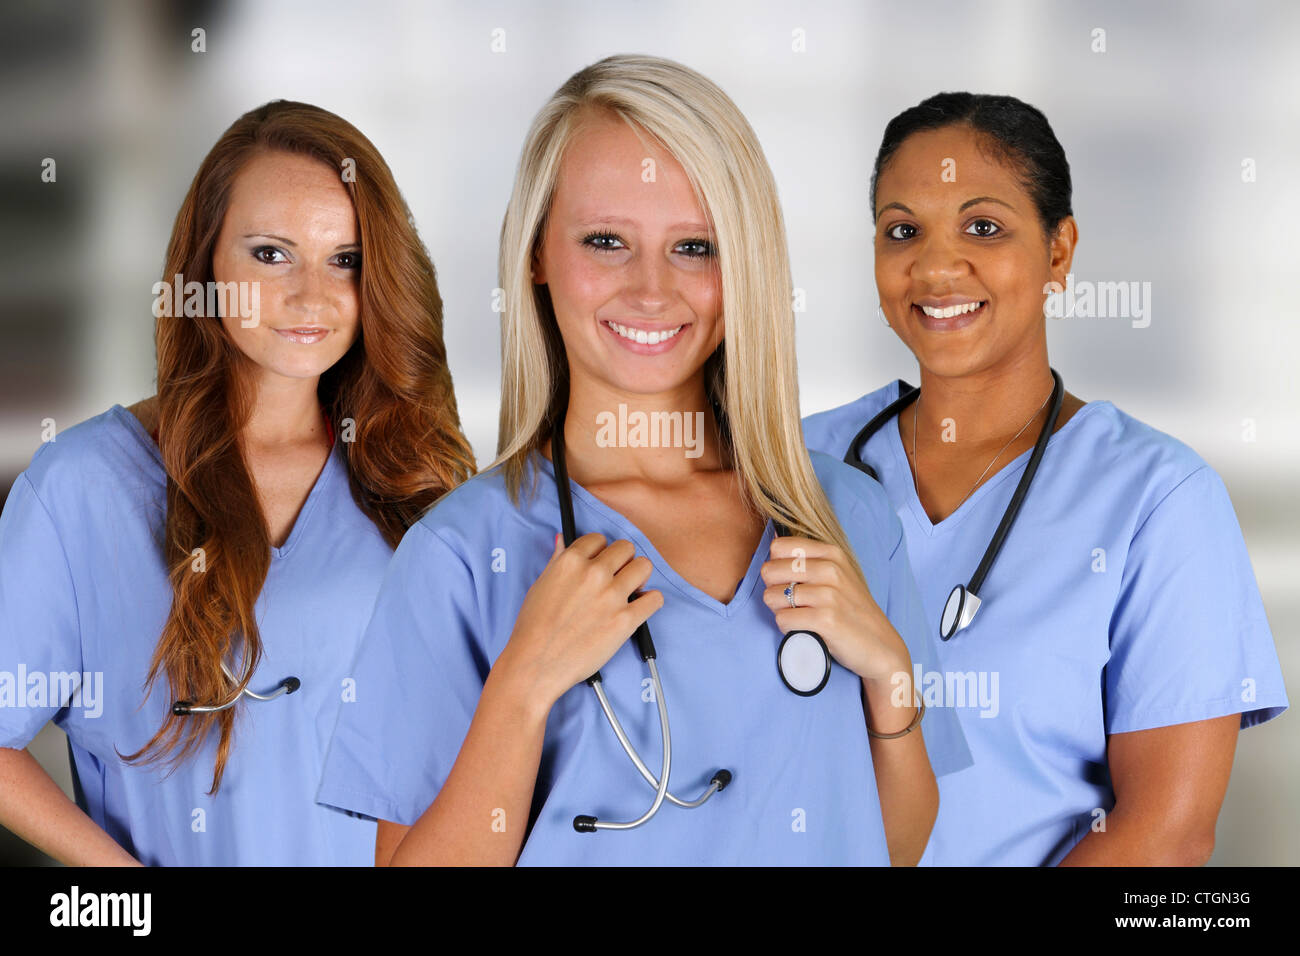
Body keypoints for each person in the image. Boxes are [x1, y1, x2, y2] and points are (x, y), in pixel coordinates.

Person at [317, 54, 970, 866]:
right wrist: (522, 687)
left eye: (694, 247)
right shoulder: (461, 553)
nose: (652, 289)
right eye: (605, 241)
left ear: (744, 267)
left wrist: (888, 671)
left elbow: (896, 847)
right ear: (535, 259)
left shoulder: (847, 513)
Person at [802, 91, 1289, 866]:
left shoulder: (1157, 500)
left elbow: (1167, 835)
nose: (934, 265)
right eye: (903, 231)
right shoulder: (788, 466)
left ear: (1059, 251)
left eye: (983, 227)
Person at [0, 100, 475, 865]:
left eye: (345, 260)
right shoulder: (81, 489)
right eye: (270, 254)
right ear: (205, 265)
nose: (311, 296)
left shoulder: (413, 481)